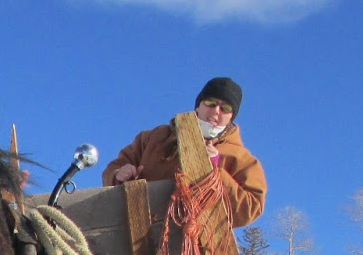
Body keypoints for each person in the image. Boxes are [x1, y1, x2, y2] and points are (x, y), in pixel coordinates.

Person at [103, 76, 267, 227]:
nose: (216, 111)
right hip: (139, 233)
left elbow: (250, 208)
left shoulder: (242, 159)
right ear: (199, 105)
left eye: (225, 108)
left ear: (232, 116)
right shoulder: (154, 137)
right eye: (210, 103)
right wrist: (118, 175)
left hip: (196, 250)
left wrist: (214, 172)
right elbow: (116, 167)